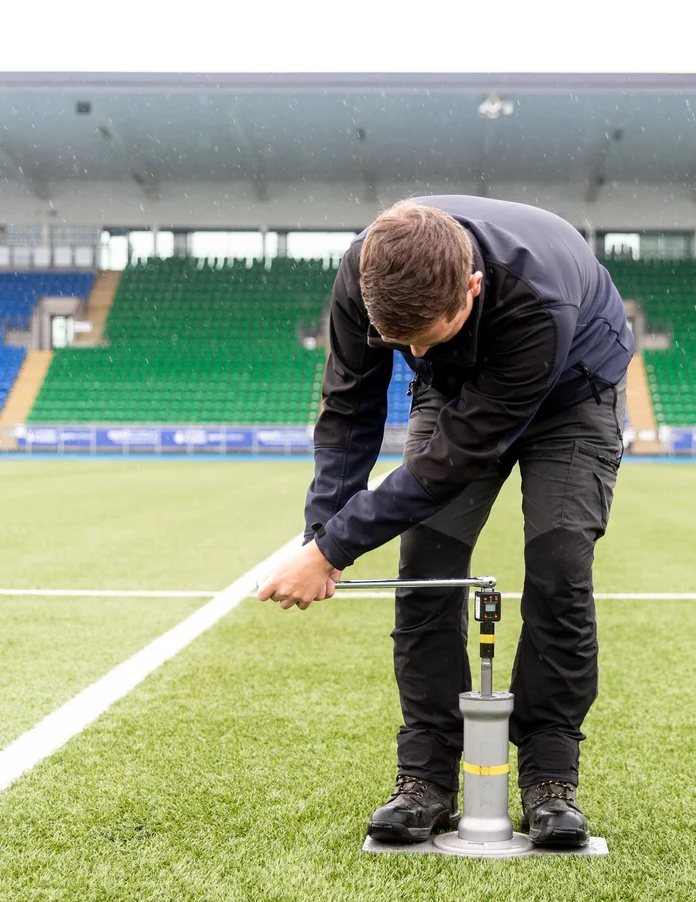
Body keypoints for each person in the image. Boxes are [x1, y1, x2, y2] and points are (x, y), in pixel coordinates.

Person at [256, 196, 633, 847]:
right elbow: (348, 410)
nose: (410, 351)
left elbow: (451, 463)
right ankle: (426, 776)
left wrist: (332, 551)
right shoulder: (364, 276)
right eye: (399, 342)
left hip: (574, 389)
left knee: (559, 566)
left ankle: (550, 777)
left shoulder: (536, 302)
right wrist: (322, 537)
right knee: (424, 566)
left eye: (426, 337)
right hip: (454, 389)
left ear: (473, 287)